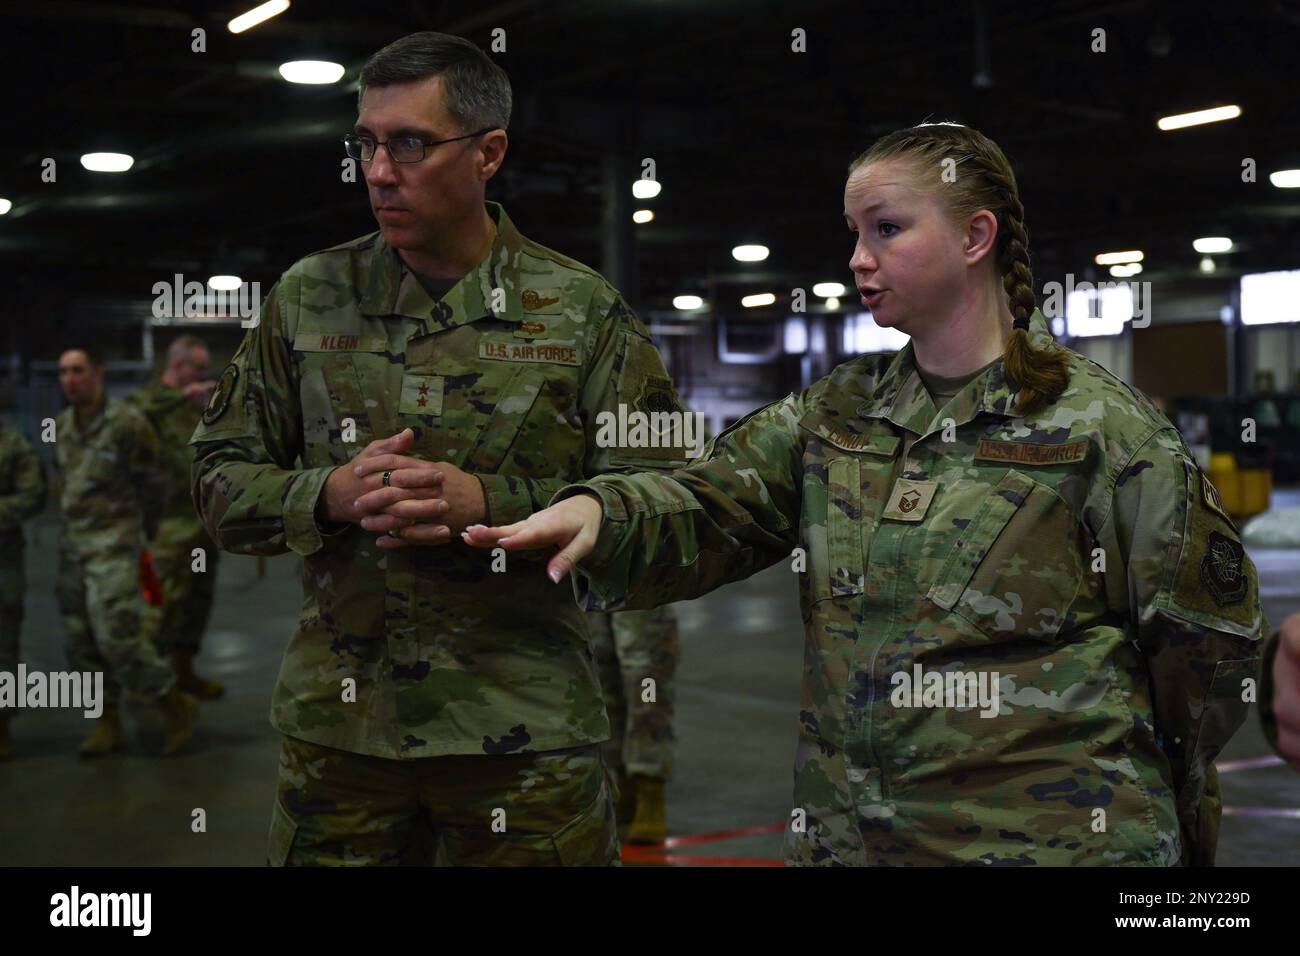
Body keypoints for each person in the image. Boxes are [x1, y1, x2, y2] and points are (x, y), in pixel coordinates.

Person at [467, 121, 1273, 866]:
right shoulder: (837, 413)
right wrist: (600, 511)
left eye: (885, 229)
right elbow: (708, 502)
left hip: (1047, 845)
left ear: (974, 236)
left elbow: (1203, 654)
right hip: (852, 842)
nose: (858, 257)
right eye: (854, 233)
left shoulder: (1099, 431)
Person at [190, 31, 689, 866]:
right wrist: (328, 495)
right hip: (341, 744)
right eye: (367, 144)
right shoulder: (307, 299)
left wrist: (491, 505)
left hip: (521, 747)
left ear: (488, 152)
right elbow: (215, 482)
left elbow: (670, 514)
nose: (379, 172)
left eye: (410, 144)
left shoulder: (582, 315)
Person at [54, 347, 199, 757]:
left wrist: (142, 534)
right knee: (79, 642)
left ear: (98, 372)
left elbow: (155, 483)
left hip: (114, 548)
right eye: (63, 372)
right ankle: (108, 724)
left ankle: (173, 703)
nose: (70, 379)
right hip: (73, 549)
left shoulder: (126, 423)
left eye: (78, 370)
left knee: (118, 637)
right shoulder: (62, 426)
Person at [129, 334, 223, 699]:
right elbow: (132, 416)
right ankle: (149, 686)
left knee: (196, 603)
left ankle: (183, 671)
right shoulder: (151, 400)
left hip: (200, 521)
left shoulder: (194, 404)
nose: (201, 375)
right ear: (178, 365)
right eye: (198, 368)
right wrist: (180, 398)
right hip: (166, 524)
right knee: (159, 606)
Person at [588, 606, 680, 843]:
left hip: (640, 575)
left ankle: (650, 789)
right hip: (588, 574)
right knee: (598, 668)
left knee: (645, 673)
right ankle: (624, 787)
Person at [0, 420, 48, 759]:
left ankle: (1, 727)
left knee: (3, 648)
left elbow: (33, 495)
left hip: (3, 563)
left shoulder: (13, 444)